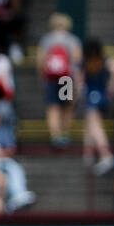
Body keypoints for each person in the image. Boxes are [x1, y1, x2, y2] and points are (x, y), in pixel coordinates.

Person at [38, 12, 82, 149]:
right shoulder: (72, 40)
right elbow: (77, 61)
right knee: (66, 106)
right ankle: (64, 133)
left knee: (53, 107)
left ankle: (55, 136)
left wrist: (42, 77)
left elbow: (40, 62)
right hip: (66, 78)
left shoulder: (46, 40)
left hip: (51, 78)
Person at [80, 38, 114, 176]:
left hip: (93, 96)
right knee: (90, 123)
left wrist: (71, 98)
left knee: (95, 125)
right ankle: (88, 153)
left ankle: (105, 153)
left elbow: (78, 81)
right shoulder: (104, 61)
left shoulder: (85, 63)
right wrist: (111, 89)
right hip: (102, 95)